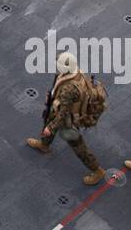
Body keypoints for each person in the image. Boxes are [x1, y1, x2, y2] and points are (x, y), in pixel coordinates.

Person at [25, 52, 106, 184]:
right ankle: (44, 144)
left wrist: (50, 128)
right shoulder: (74, 72)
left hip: (67, 119)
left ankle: (97, 170)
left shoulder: (69, 89)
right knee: (49, 120)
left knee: (76, 143)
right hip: (57, 108)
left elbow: (63, 114)